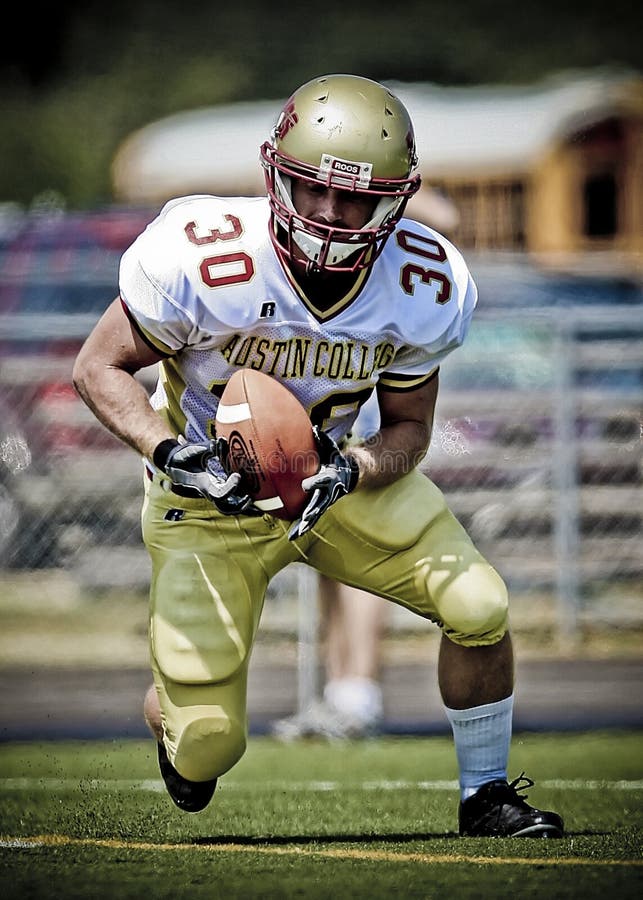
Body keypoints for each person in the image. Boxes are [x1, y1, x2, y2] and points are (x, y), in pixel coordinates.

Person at [73, 73, 563, 837]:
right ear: (274, 177)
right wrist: (170, 451)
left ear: (399, 198)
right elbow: (97, 367)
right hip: (210, 501)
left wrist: (351, 468)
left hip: (333, 482)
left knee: (479, 606)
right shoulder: (202, 256)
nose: (332, 217)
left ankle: (485, 793)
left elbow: (408, 431)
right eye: (314, 192)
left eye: (358, 199)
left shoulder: (420, 282)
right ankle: (175, 715)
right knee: (205, 746)